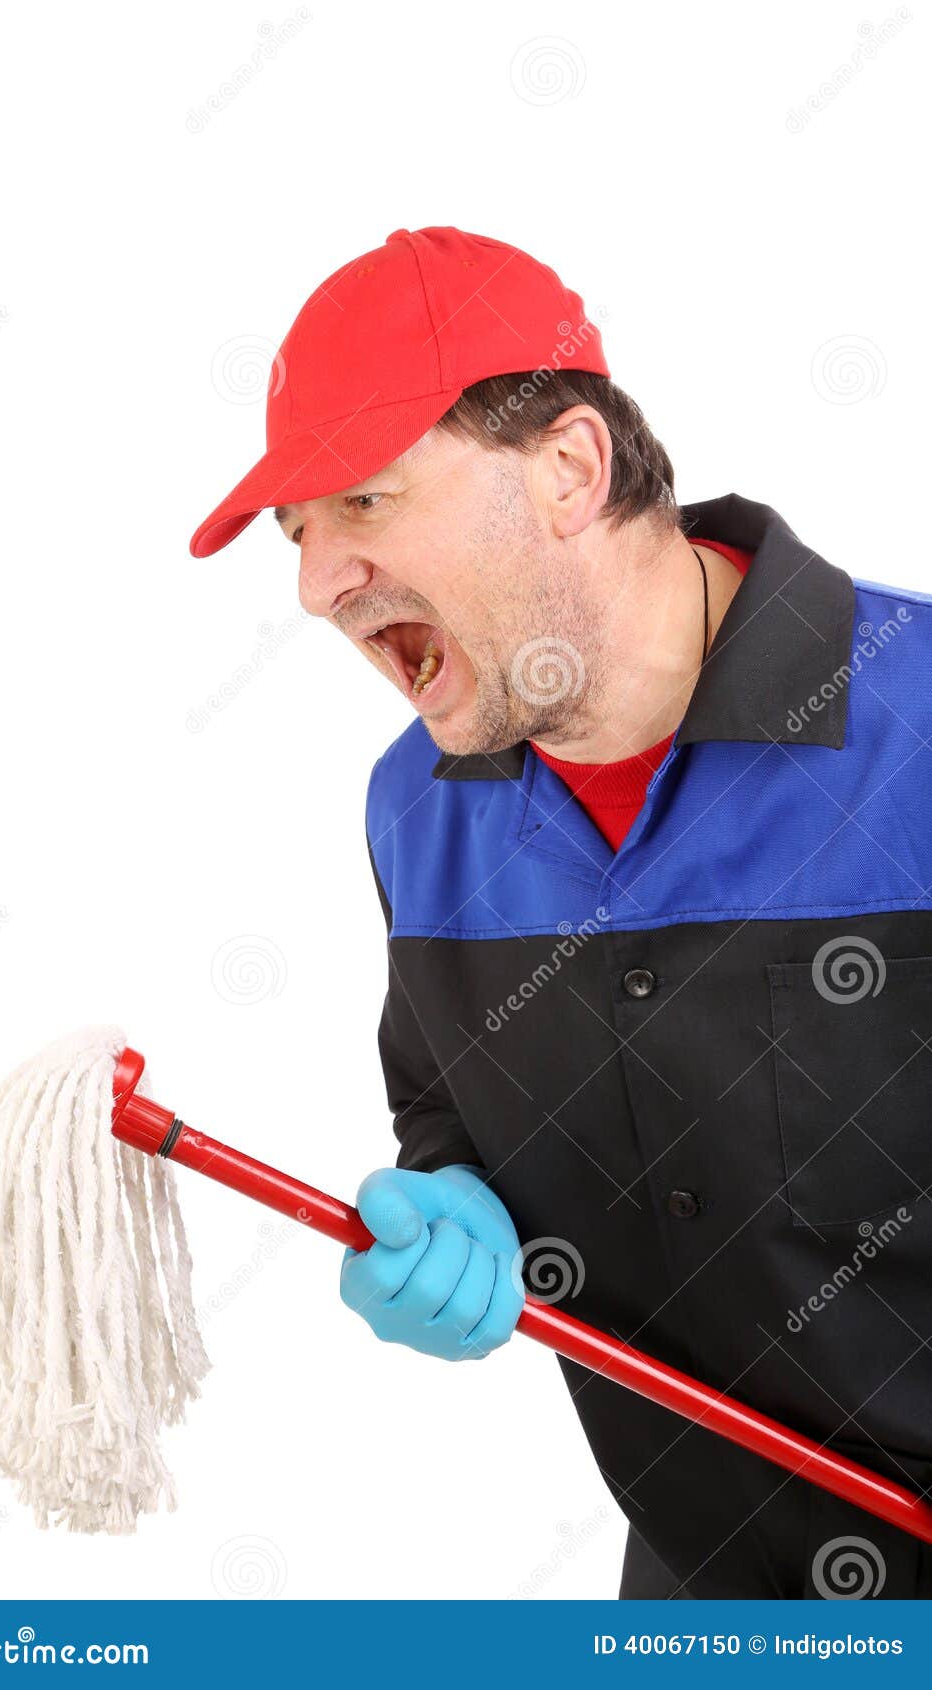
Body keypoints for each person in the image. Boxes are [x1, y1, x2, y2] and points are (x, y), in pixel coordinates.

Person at [189, 225, 932, 1600]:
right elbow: (451, 1114)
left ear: (571, 469)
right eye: (298, 535)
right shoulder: (421, 810)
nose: (313, 584)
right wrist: (454, 1200)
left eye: (362, 501)